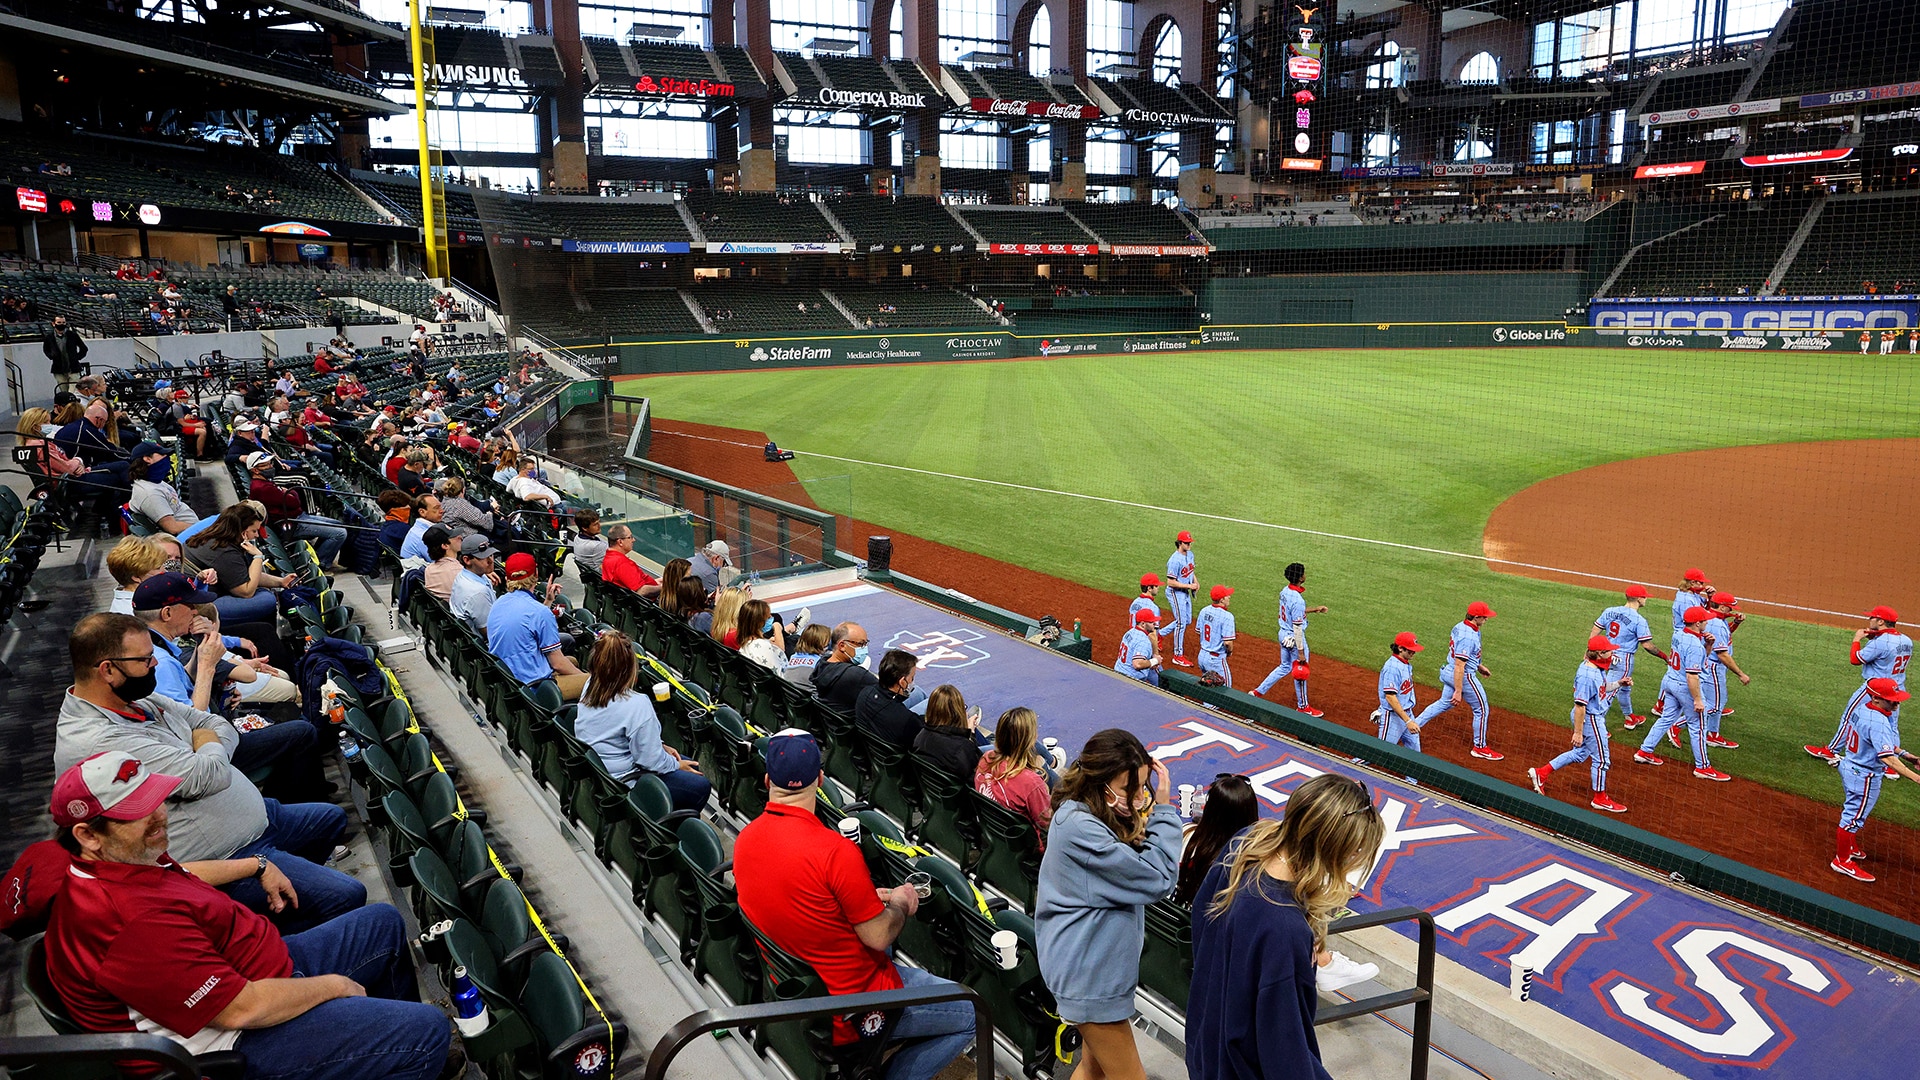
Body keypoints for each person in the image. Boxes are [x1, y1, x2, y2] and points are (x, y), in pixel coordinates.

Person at [41, 753, 455, 1078]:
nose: (160, 815)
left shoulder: (120, 858)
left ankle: (384, 1056)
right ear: (88, 835)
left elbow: (182, 874)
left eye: (156, 799)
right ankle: (404, 1052)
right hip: (236, 1040)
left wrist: (255, 865)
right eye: (137, 811)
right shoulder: (126, 922)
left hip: (258, 970)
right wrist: (332, 986)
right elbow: (240, 1011)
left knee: (381, 924)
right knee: (426, 1033)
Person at [55, 614, 363, 931]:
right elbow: (212, 773)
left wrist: (201, 744)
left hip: (251, 818)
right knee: (348, 895)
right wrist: (204, 748)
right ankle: (276, 941)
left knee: (331, 820)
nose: (155, 666)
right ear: (107, 669)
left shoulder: (133, 697)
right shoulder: (101, 741)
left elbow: (213, 724)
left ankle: (287, 905)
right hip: (224, 853)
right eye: (145, 660)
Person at [734, 731, 976, 1080]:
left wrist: (865, 901)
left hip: (796, 988)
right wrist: (902, 904)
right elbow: (878, 936)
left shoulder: (746, 841)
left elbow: (802, 899)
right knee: (972, 1012)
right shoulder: (834, 852)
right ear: (820, 778)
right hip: (852, 1006)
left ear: (768, 779)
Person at [1186, 774, 1387, 1080]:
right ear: (1333, 850)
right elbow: (1284, 1051)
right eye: (1355, 854)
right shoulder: (1284, 928)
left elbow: (1201, 928)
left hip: (1206, 1044)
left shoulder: (1246, 841)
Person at [1035, 729, 1181, 1080]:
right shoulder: (1079, 828)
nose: (1137, 797)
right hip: (1088, 977)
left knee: (1092, 1069)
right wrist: (1163, 810)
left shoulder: (1079, 812)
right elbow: (1157, 878)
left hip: (1089, 965)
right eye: (1129, 789)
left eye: (1142, 787)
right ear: (1101, 784)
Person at [574, 632, 709, 809]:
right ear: (630, 668)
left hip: (598, 770)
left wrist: (659, 745)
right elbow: (650, 761)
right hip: (623, 782)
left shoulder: (589, 685)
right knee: (700, 784)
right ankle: (666, 826)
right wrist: (676, 765)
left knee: (683, 760)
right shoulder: (637, 704)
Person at [1829, 678, 1920, 882]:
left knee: (1853, 811)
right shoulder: (1879, 722)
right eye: (1892, 701)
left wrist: (1907, 755)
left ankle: (1850, 847)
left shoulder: (1863, 709)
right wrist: (1915, 777)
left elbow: (1878, 742)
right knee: (1853, 817)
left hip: (1849, 766)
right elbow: (1887, 758)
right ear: (1876, 698)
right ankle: (1842, 861)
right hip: (1864, 775)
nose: (1897, 704)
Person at [1530, 636, 1631, 814]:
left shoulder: (1594, 667)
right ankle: (1600, 799)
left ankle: (1541, 773)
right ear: (1600, 654)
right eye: (1609, 650)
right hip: (1589, 719)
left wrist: (1618, 684)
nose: (1612, 652)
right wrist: (1577, 732)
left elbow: (1602, 688)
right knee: (1601, 760)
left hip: (1590, 717)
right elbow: (1580, 706)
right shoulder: (1587, 675)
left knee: (1581, 753)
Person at [1809, 606, 1911, 764]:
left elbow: (1855, 659)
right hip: (1896, 689)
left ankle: (1831, 751)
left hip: (1875, 688)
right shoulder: (1906, 640)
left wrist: (1857, 639)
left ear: (1881, 621)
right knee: (1891, 726)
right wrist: (1875, 640)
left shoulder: (1882, 642)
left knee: (1849, 717)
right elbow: (1887, 654)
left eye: (1872, 618)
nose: (1869, 620)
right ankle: (1891, 766)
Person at [1634, 606, 1726, 780]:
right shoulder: (1694, 645)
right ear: (1698, 624)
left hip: (1670, 681)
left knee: (1666, 718)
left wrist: (1708, 645)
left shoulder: (1679, 634)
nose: (1708, 621)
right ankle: (1703, 767)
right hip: (1685, 686)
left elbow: (1696, 660)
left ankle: (1644, 751)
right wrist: (1698, 699)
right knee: (1698, 727)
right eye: (1705, 620)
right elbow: (1692, 675)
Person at [1408, 601, 1501, 761]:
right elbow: (1460, 664)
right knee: (1481, 709)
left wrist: (1478, 665)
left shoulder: (1462, 626)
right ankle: (1480, 747)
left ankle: (1412, 726)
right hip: (1461, 675)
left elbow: (1464, 655)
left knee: (1444, 702)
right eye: (1484, 617)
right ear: (1476, 617)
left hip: (1448, 670)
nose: (1487, 619)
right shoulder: (1468, 636)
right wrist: (1459, 690)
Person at [487, 553, 586, 701]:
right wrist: (586, 678)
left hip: (507, 679)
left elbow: (529, 623)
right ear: (537, 574)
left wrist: (548, 601)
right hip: (534, 687)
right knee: (599, 683)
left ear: (507, 578)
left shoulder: (499, 602)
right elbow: (558, 664)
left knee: (572, 660)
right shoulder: (539, 613)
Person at [186, 503, 299, 626]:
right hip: (194, 609)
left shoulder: (217, 538)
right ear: (241, 532)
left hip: (195, 597)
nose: (257, 535)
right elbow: (246, 591)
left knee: (263, 591)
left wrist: (281, 582)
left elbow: (243, 575)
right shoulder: (224, 552)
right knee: (267, 599)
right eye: (254, 531)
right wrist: (258, 557)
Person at [245, 452, 348, 571]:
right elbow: (294, 502)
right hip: (292, 524)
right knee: (340, 533)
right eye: (266, 465)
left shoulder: (265, 482)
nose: (271, 467)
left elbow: (290, 500)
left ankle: (319, 558)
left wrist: (288, 493)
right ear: (255, 470)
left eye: (270, 463)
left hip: (298, 516)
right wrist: (291, 493)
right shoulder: (262, 488)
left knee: (338, 525)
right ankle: (320, 566)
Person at [1252, 563, 1328, 715]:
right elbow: (1298, 627)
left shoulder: (1285, 591)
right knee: (1301, 672)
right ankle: (1303, 707)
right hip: (1294, 638)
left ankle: (1257, 692)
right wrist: (1300, 652)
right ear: (1300, 578)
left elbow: (1293, 611)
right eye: (1304, 573)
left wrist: (1314, 609)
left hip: (1283, 634)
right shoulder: (1297, 600)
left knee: (1284, 666)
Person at [974, 707, 1054, 846]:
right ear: (1031, 740)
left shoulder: (985, 759)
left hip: (993, 833)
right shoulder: (1031, 783)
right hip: (1025, 846)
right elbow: (1047, 825)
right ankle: (1051, 761)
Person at [1174, 774, 1258, 906]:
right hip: (1200, 923)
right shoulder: (1247, 864)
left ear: (1209, 810)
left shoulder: (1185, 832)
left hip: (1171, 915)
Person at [1593, 585, 1667, 729]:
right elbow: (1647, 646)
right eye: (1644, 597)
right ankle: (1595, 725)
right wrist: (1665, 657)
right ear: (1639, 599)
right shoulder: (1639, 620)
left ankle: (1630, 717)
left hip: (1605, 654)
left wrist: (1591, 648)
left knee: (1624, 687)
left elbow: (1596, 628)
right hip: (1623, 658)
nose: (1646, 599)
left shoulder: (1610, 610)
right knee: (1609, 691)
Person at [855, 649, 922, 749]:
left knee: (918, 692)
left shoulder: (865, 693)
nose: (912, 681)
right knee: (931, 702)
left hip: (871, 747)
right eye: (912, 678)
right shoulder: (908, 720)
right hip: (898, 754)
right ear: (902, 682)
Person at [129, 443, 200, 536]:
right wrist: (202, 528)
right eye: (162, 454)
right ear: (147, 459)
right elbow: (172, 528)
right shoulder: (150, 494)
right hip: (190, 538)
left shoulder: (154, 482)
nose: (166, 457)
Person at [914, 684, 983, 777]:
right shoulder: (962, 748)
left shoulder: (920, 736)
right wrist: (971, 735)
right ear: (958, 713)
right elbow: (977, 768)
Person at [1372, 632, 1425, 751]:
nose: (1414, 652)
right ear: (1400, 648)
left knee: (1415, 753)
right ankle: (1348, 765)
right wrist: (1408, 721)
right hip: (1393, 718)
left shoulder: (1405, 663)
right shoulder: (1392, 667)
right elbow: (1390, 697)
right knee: (1380, 752)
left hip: (1407, 714)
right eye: (1410, 650)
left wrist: (1409, 719)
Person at [813, 622, 877, 710]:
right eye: (861, 644)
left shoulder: (821, 664)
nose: (865, 648)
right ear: (842, 646)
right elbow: (887, 694)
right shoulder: (857, 675)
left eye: (866, 643)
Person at [1162, 531, 1197, 667]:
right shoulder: (1174, 560)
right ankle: (1177, 655)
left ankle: (1160, 634)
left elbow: (1191, 571)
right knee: (1181, 623)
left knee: (1186, 620)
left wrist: (1196, 583)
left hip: (1185, 592)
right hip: (1175, 593)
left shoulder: (1190, 555)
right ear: (1179, 543)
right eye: (1186, 543)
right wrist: (1189, 585)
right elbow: (1170, 582)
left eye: (1190, 543)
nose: (1189, 545)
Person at [450, 538, 500, 631]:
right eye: (483, 557)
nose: (491, 561)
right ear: (467, 560)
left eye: (491, 555)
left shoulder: (465, 574)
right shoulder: (478, 592)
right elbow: (490, 632)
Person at [601, 525, 661, 596]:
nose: (633, 540)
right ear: (620, 542)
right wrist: (663, 588)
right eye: (630, 537)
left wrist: (656, 582)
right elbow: (641, 591)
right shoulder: (621, 563)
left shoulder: (609, 557)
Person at [435, 476, 498, 542]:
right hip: (471, 538)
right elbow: (484, 522)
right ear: (463, 489)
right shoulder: (459, 504)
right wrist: (491, 512)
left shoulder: (444, 501)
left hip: (459, 538)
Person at [1196, 585, 1236, 688]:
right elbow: (1227, 643)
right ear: (1222, 599)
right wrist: (1230, 652)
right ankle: (1208, 705)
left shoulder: (1204, 610)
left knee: (1208, 686)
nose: (1229, 597)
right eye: (1227, 596)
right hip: (1216, 660)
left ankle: (1206, 704)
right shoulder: (1227, 616)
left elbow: (1199, 631)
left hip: (1202, 656)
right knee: (1225, 691)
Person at [1114, 608, 1163, 686]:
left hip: (1116, 674)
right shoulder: (1143, 641)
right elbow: (1138, 664)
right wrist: (1155, 661)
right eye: (1151, 622)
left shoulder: (1130, 632)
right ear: (1143, 624)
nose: (1155, 623)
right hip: (1130, 682)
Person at [735, 598, 786, 674]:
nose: (771, 619)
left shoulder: (745, 645)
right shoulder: (764, 647)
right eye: (768, 618)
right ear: (759, 623)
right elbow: (780, 674)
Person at [45, 314, 89, 393]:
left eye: (63, 322)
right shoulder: (49, 337)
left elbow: (84, 348)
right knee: (64, 392)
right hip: (58, 368)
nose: (61, 324)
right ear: (53, 324)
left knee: (73, 391)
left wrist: (77, 357)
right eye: (59, 322)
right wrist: (51, 356)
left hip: (73, 368)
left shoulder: (72, 335)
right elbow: (46, 349)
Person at [421, 526, 462, 600]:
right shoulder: (459, 573)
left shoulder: (429, 569)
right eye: (454, 537)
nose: (460, 538)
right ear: (445, 545)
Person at [398, 494, 442, 563]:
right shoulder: (423, 536)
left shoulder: (420, 529)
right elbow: (441, 562)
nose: (442, 511)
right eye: (436, 508)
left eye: (440, 507)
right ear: (422, 512)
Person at [375, 489, 414, 553]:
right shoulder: (403, 529)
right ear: (395, 510)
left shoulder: (385, 526)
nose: (409, 507)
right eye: (405, 506)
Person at [572, 510, 607, 577]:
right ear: (584, 528)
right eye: (595, 524)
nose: (599, 526)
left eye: (599, 522)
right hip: (605, 580)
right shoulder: (596, 546)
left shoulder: (577, 537)